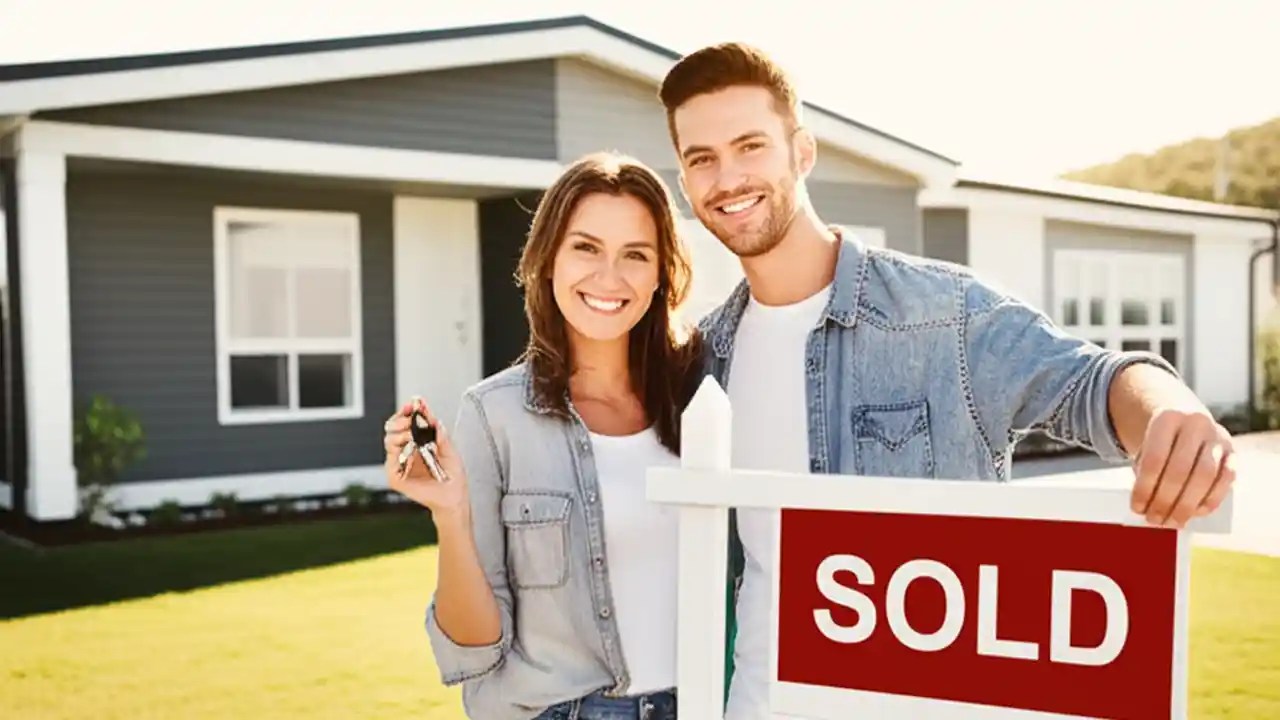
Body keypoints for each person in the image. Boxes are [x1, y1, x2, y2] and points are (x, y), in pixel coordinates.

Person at [656, 43, 1237, 719]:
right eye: (702, 158)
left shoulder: (946, 316)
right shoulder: (701, 359)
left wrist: (1171, 410)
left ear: (802, 152)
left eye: (750, 146)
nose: (727, 178)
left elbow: (1092, 383)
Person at [381, 151, 703, 720]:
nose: (609, 277)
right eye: (586, 247)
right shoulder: (494, 414)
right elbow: (475, 648)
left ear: (660, 275)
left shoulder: (701, 400)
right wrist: (449, 515)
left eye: (635, 254)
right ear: (548, 258)